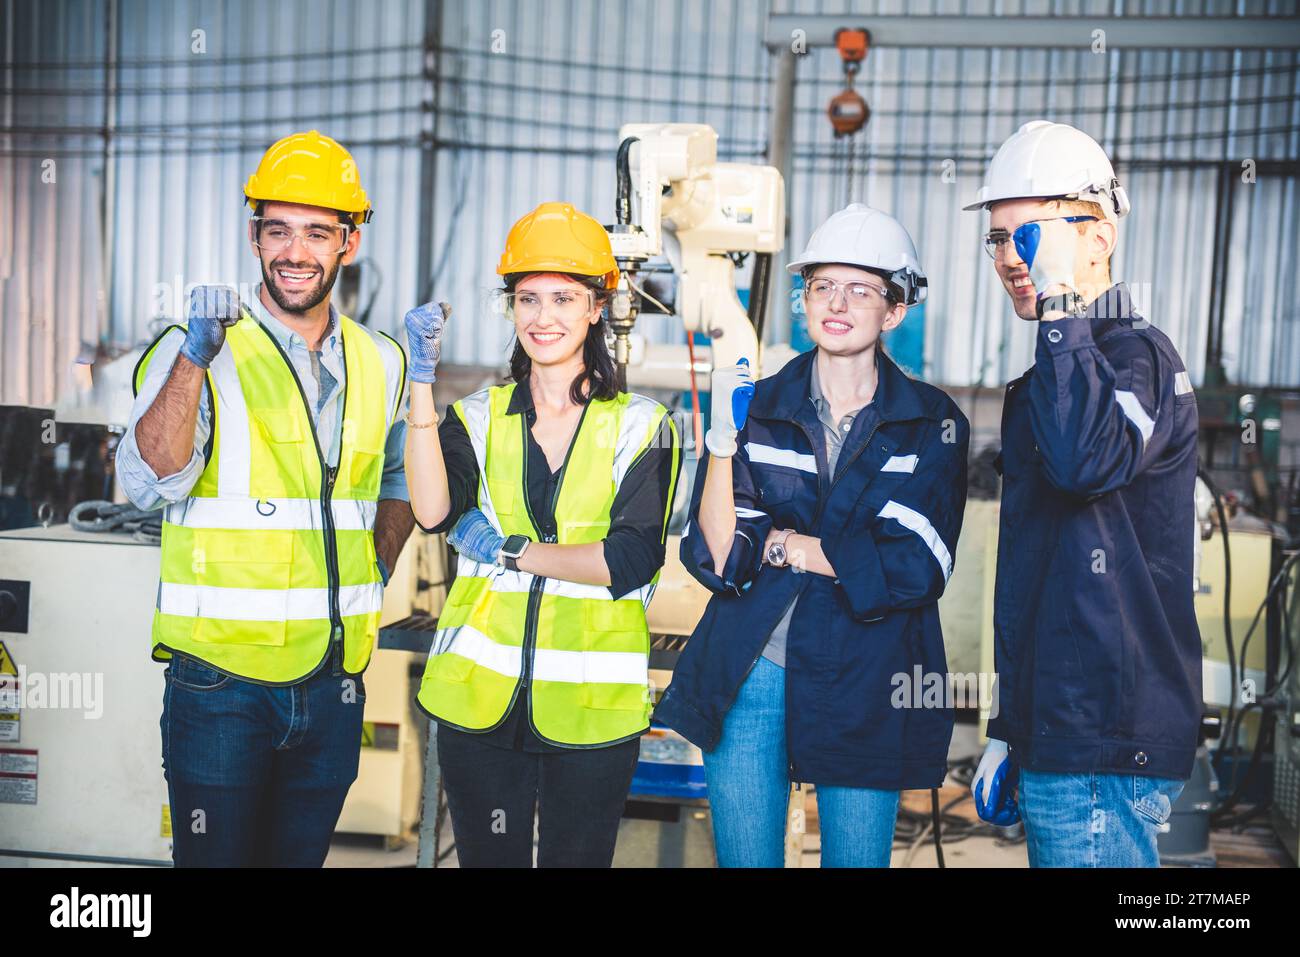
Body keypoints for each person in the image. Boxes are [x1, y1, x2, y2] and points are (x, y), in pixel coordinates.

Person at [116, 130, 413, 866]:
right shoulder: (200, 347)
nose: (295, 250)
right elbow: (150, 477)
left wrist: (372, 565)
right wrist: (194, 357)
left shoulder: (381, 361)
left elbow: (399, 477)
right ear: (254, 238)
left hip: (332, 681)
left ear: (348, 241)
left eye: (317, 232)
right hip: (220, 686)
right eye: (277, 229)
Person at [655, 204, 970, 867]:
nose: (837, 303)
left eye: (861, 290)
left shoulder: (930, 422)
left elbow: (918, 563)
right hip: (752, 669)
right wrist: (720, 437)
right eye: (823, 286)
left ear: (894, 311)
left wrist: (787, 543)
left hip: (868, 675)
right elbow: (717, 553)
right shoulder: (758, 405)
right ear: (802, 302)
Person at [403, 201, 682, 867]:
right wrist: (419, 384)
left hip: (591, 710)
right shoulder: (474, 416)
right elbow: (434, 510)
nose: (543, 315)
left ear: (596, 306)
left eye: (564, 296)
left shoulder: (644, 425)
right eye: (527, 297)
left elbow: (631, 558)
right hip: (478, 698)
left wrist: (512, 550)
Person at [965, 120, 1202, 867]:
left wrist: (1062, 306)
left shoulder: (1136, 358)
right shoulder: (1055, 369)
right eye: (998, 238)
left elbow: (1083, 463)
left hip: (1105, 733)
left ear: (1097, 236)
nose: (1009, 257)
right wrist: (1013, 724)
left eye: (1029, 235)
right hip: (1062, 726)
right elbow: (1041, 573)